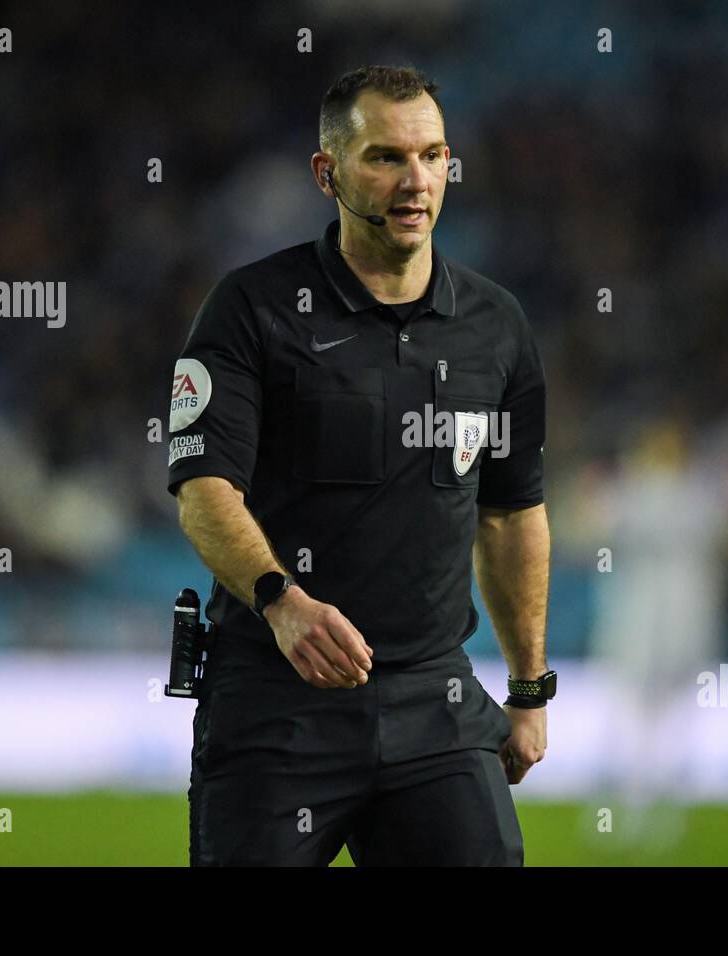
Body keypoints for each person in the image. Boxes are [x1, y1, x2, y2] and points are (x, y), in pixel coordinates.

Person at [167, 65, 553, 866]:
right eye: (385, 157)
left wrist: (525, 691)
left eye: (433, 155)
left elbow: (512, 514)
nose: (416, 180)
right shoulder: (252, 310)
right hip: (277, 705)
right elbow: (205, 491)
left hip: (436, 706)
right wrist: (282, 602)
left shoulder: (496, 325)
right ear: (328, 171)